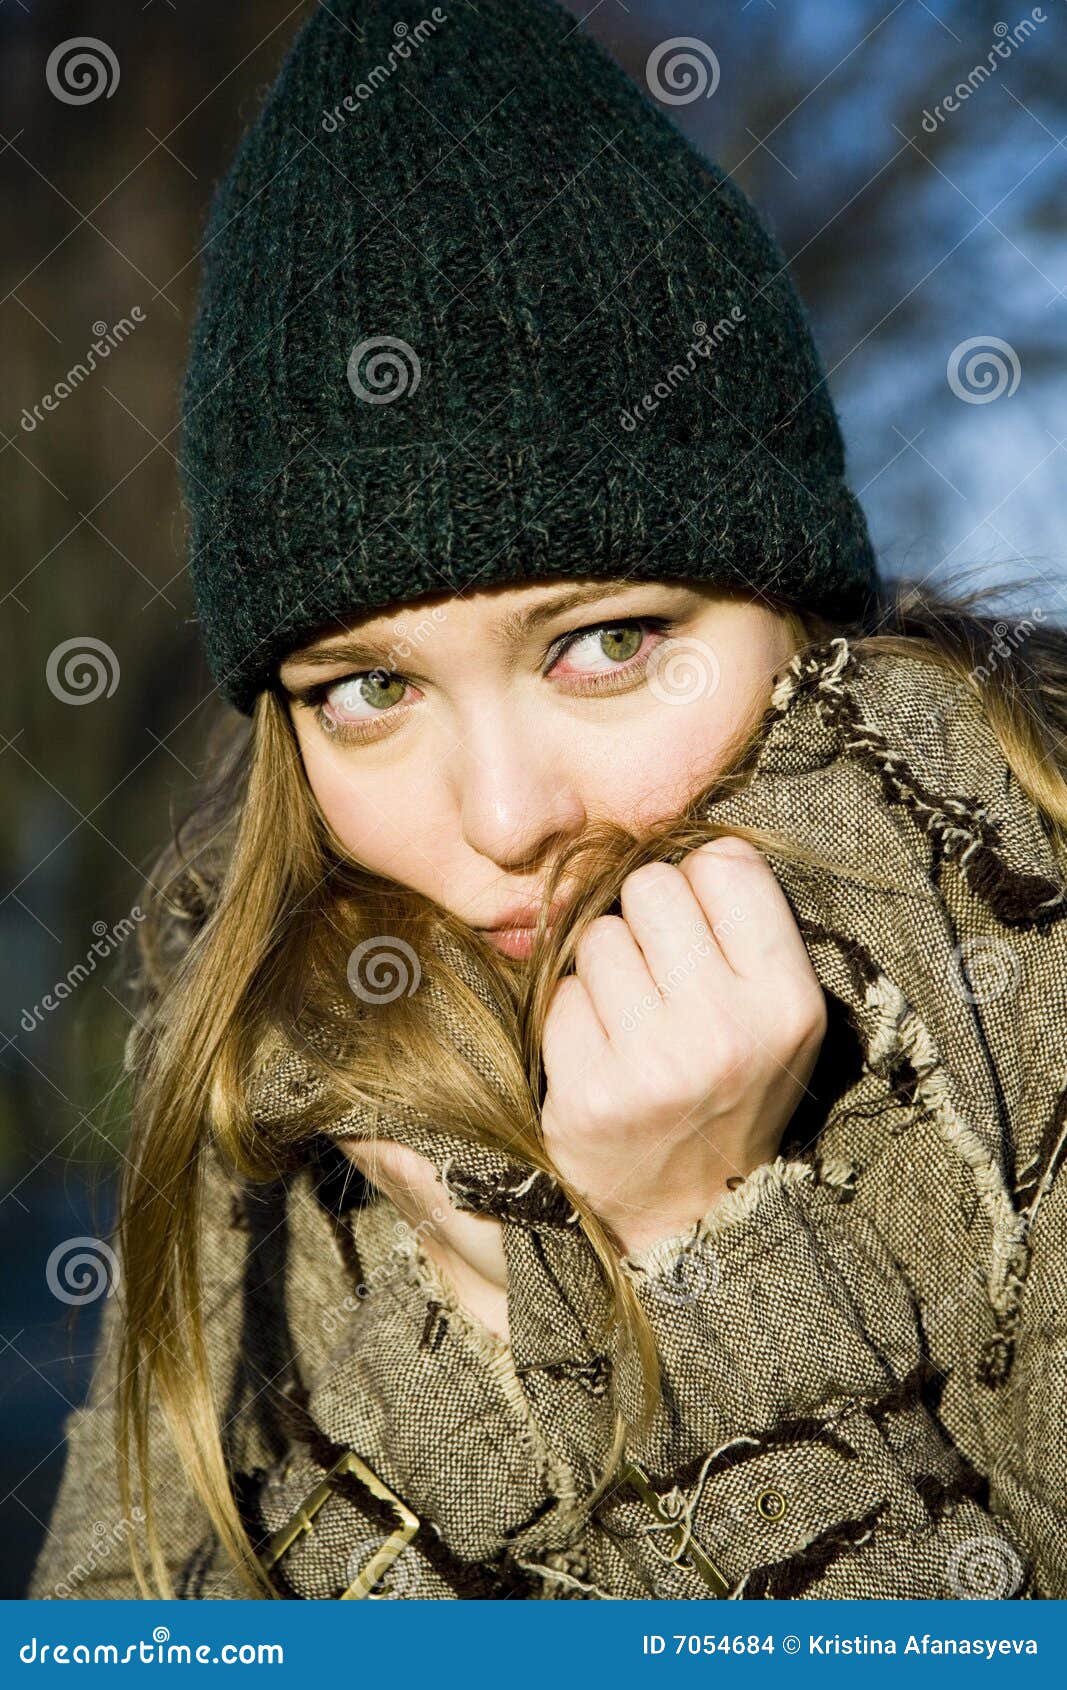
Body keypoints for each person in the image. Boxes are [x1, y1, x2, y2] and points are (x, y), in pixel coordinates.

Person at [29, 0, 1067, 1602]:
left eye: (603, 643)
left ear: (792, 604)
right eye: (369, 689)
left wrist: (695, 1276)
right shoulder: (249, 1089)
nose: (504, 815)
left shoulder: (1031, 978)